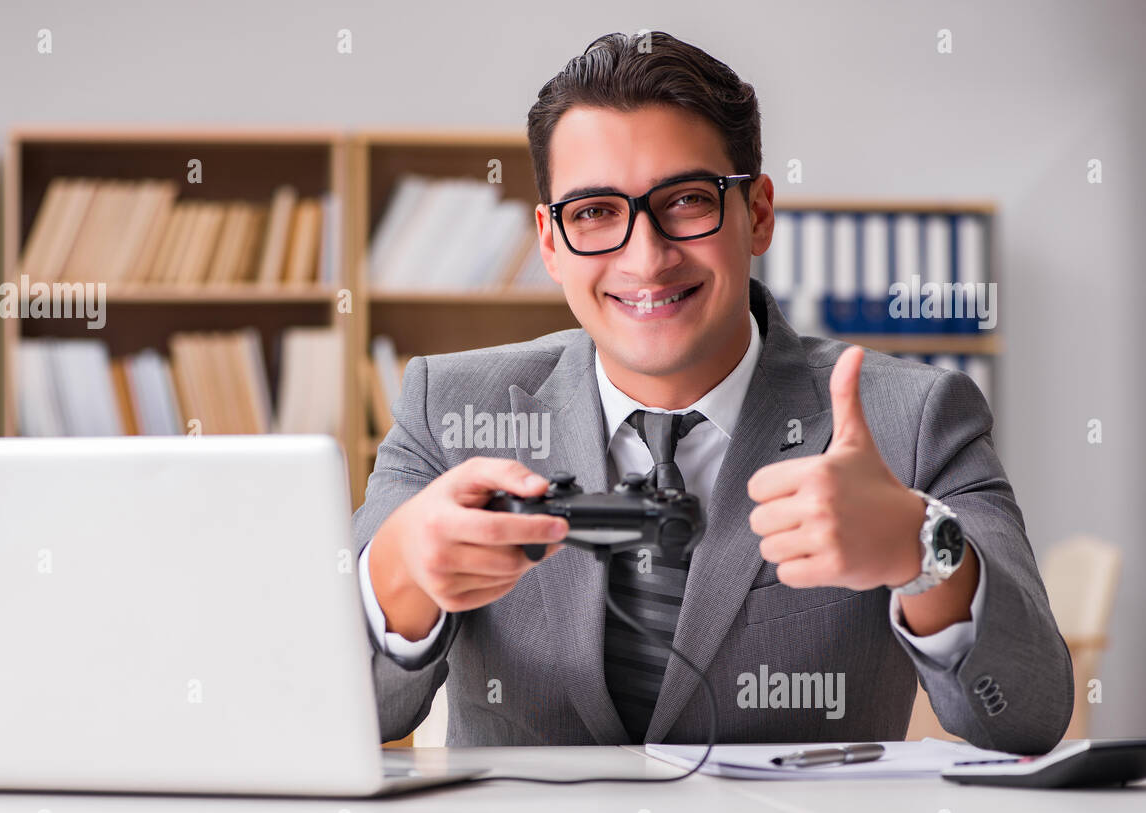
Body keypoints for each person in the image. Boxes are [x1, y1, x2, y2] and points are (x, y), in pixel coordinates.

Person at [352, 30, 1073, 753]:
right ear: (550, 242)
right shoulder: (447, 410)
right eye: (596, 212)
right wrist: (403, 571)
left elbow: (1029, 711)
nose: (647, 258)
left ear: (756, 213)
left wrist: (922, 547)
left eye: (688, 200)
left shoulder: (912, 419)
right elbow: (339, 711)